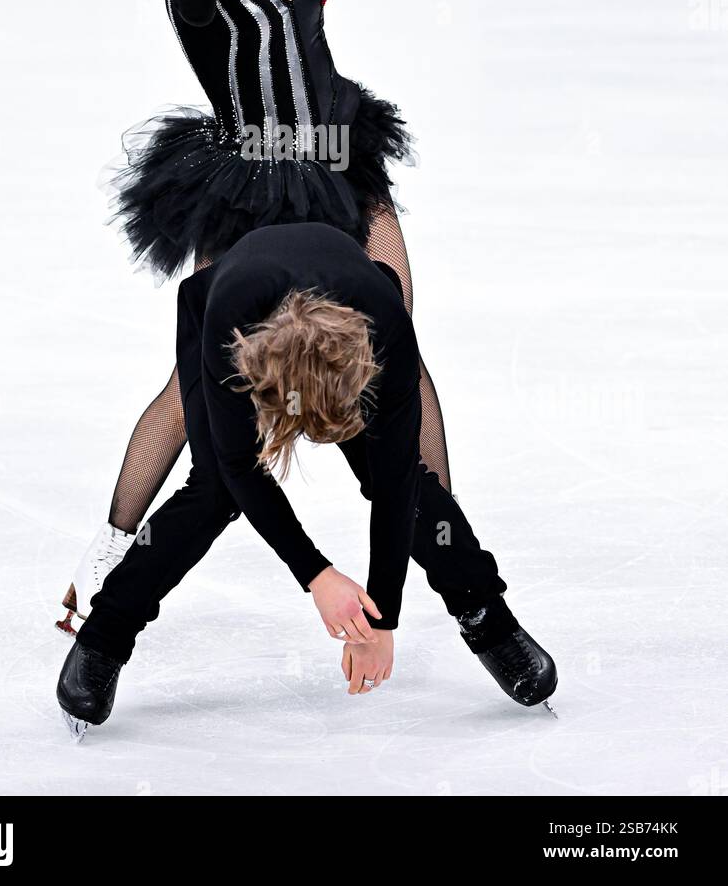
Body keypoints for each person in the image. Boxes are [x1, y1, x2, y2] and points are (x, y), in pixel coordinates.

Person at [57, 0, 454, 634]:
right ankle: (106, 562)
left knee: (400, 354)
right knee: (196, 383)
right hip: (249, 181)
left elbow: (305, 42)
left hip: (340, 156)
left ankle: (448, 545)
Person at [56, 224, 557, 736]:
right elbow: (239, 468)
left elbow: (396, 485)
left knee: (411, 488)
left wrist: (381, 621)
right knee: (212, 491)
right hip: (227, 315)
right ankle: (103, 637)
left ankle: (488, 619)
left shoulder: (388, 331)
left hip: (353, 321)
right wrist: (316, 574)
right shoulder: (229, 333)